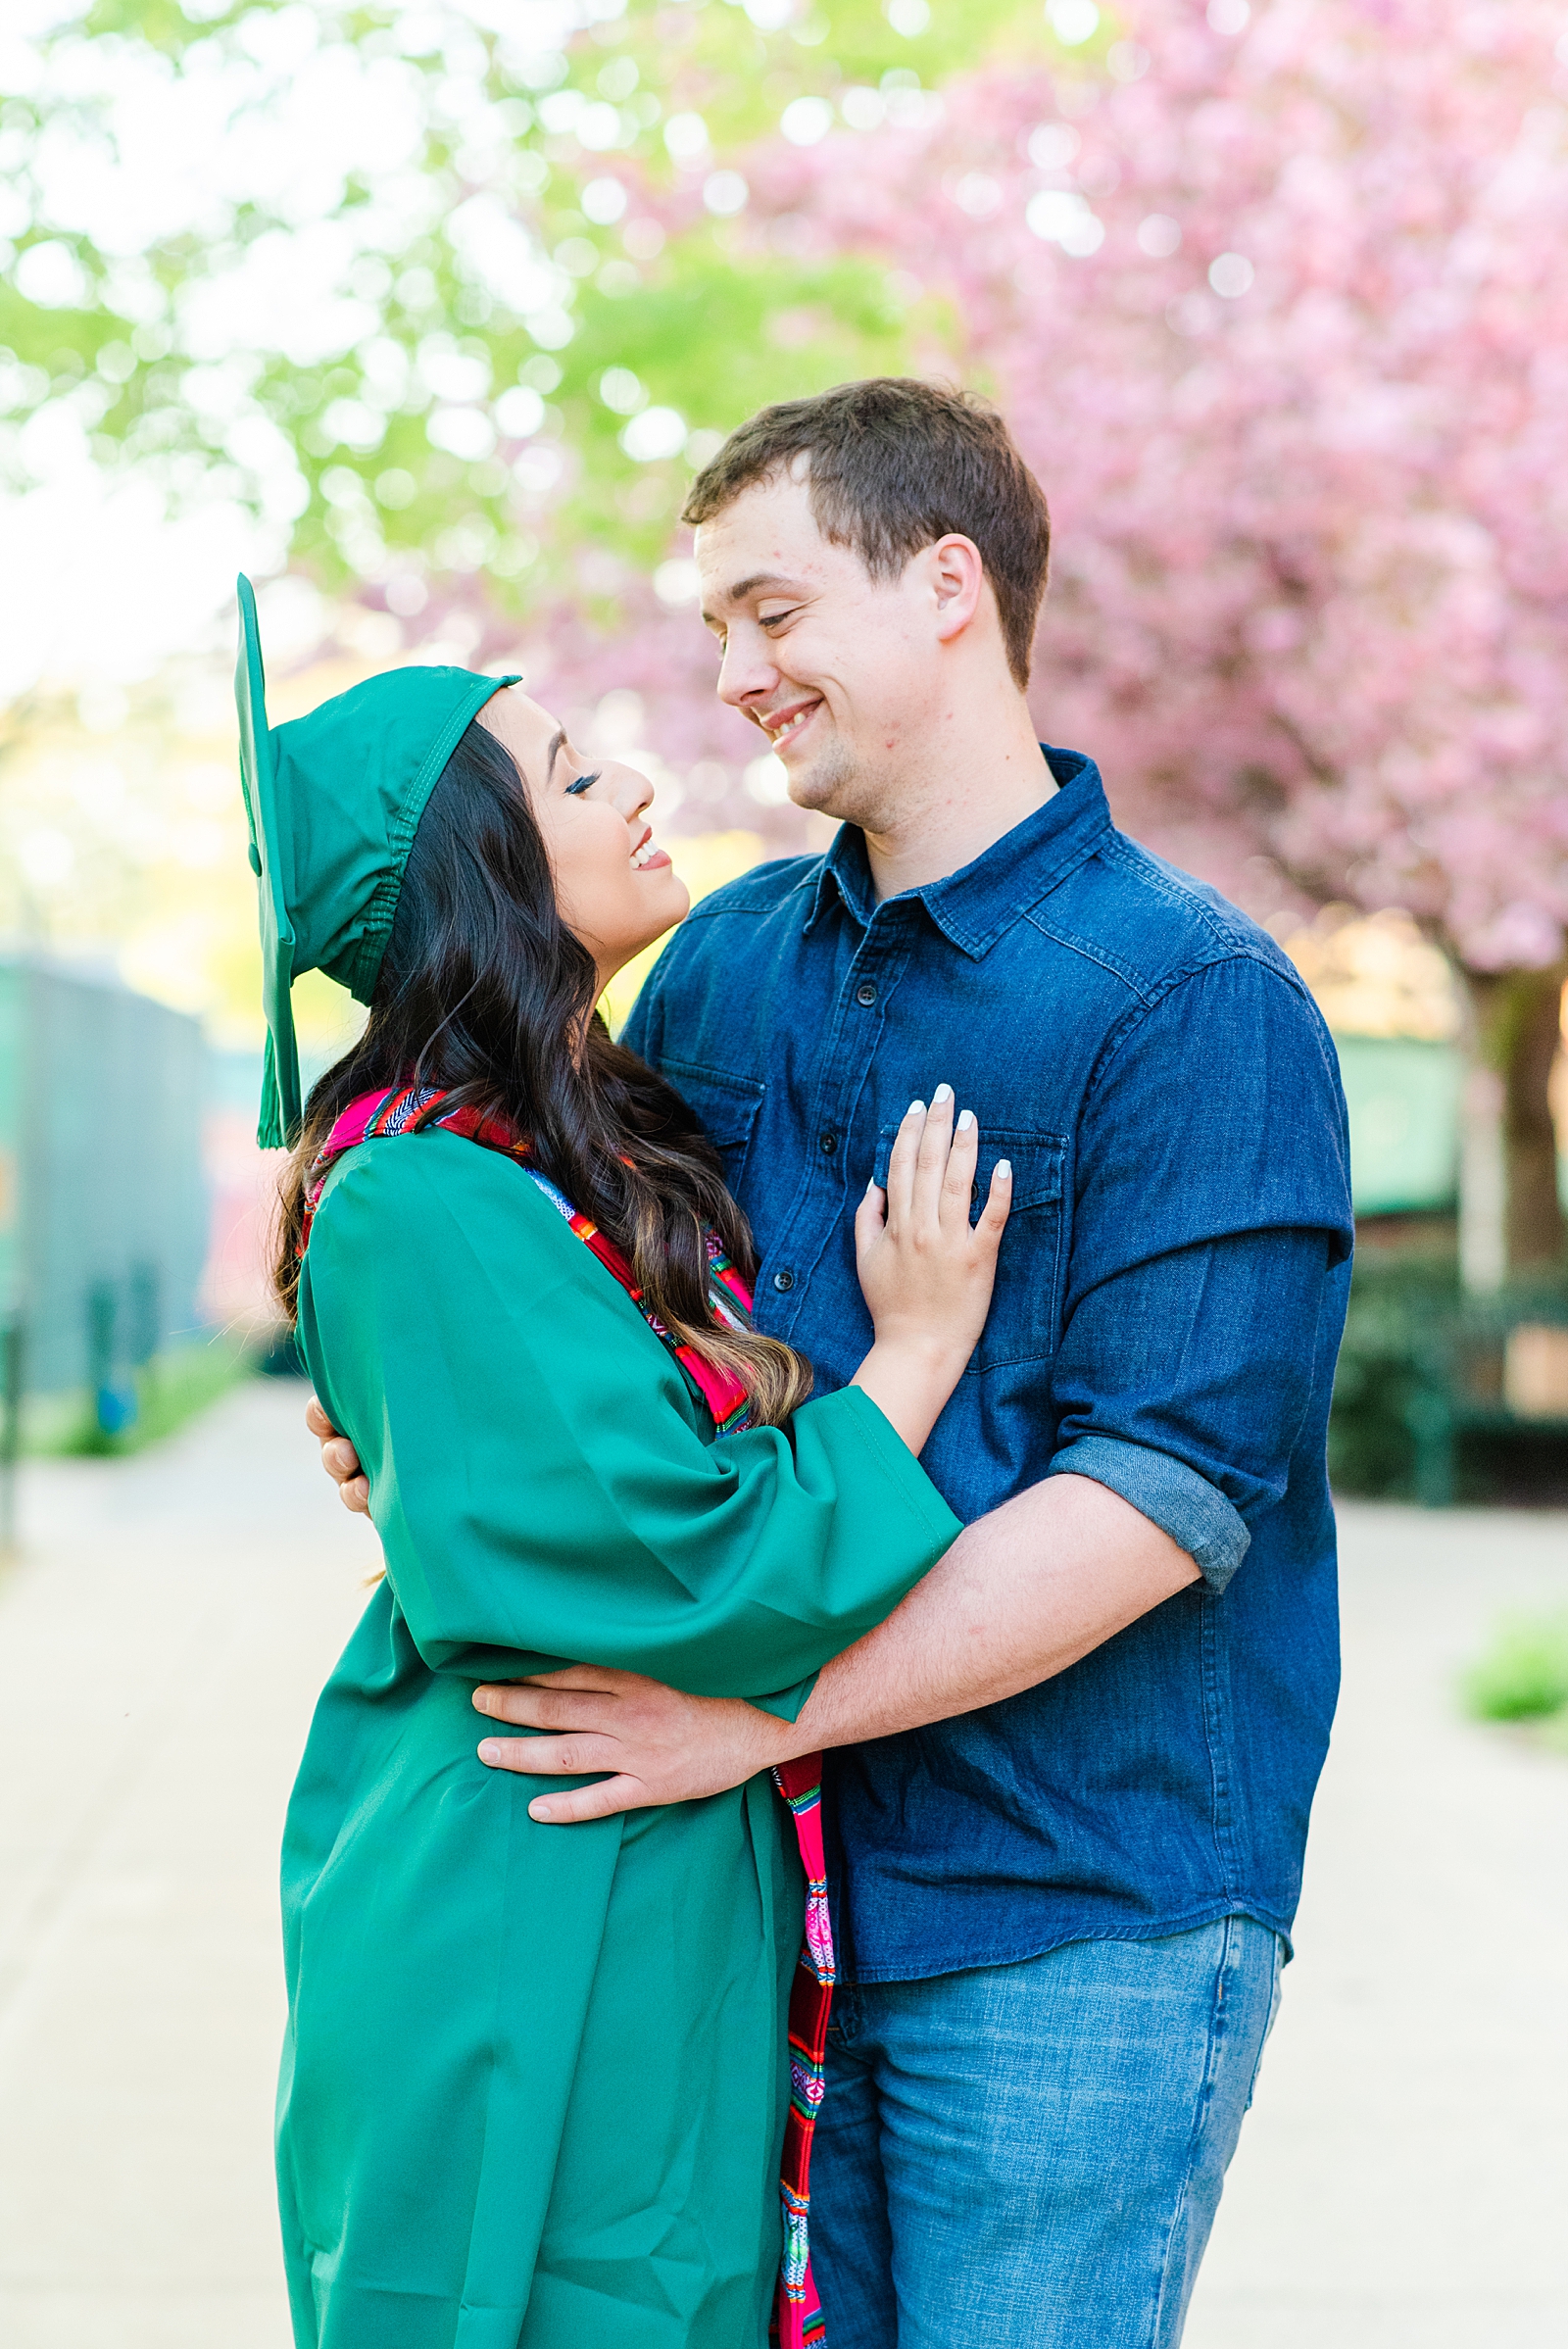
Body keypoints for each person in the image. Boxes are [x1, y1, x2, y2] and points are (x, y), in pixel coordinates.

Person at [320, 378, 1355, 2347]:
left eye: (771, 609)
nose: (731, 673)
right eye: (716, 623)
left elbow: (1155, 1498)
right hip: (754, 1898)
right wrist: (433, 1423)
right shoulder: (721, 966)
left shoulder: (1195, 1006)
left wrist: (757, 1714)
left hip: (1061, 1907)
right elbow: (584, 1322)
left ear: (944, 583)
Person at [235, 566, 1016, 2349]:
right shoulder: (423, 1192)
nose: (639, 784)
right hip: (532, 1890)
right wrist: (911, 1358)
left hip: (625, 1856)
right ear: (479, 872)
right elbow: (689, 1569)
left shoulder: (552, 1141)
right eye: (576, 778)